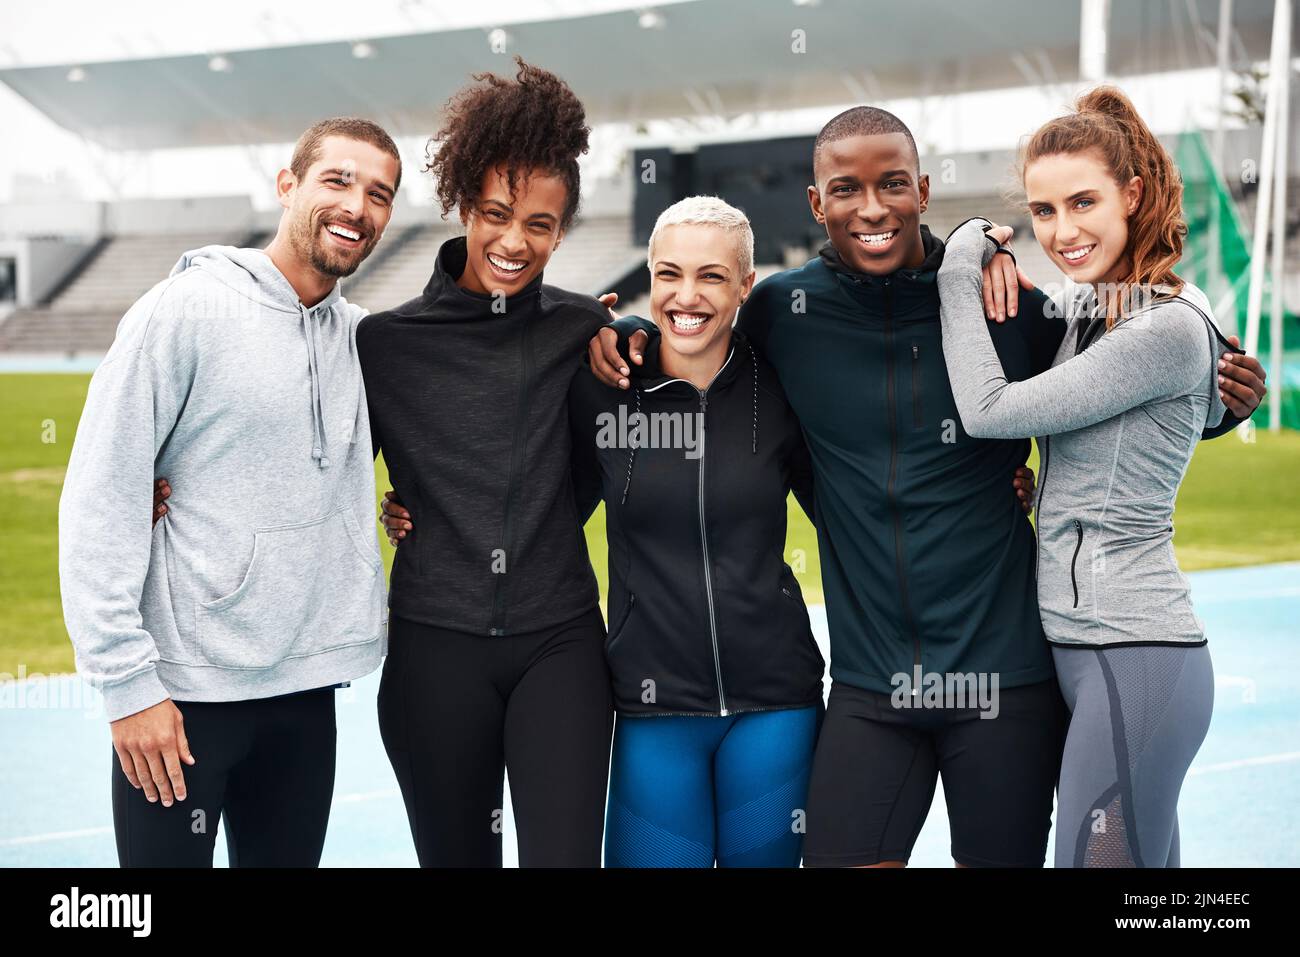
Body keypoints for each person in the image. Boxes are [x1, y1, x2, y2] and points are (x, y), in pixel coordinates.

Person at [590, 105, 1266, 868]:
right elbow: (703, 354)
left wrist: (1222, 402)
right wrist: (628, 340)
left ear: (923, 190)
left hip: (1005, 681)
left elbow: (1131, 374)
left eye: (893, 185)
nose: (872, 207)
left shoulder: (1004, 307)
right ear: (818, 205)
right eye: (846, 189)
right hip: (870, 685)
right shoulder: (784, 312)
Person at [60, 117, 401, 867]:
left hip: (307, 691)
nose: (357, 206)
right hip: (181, 696)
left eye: (379, 193)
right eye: (337, 180)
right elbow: (100, 497)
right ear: (288, 185)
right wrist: (126, 686)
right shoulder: (182, 311)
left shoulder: (364, 340)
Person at [936, 86, 1244, 867]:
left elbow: (988, 408)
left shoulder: (1162, 324)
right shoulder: (1091, 308)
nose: (1063, 231)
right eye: (1042, 212)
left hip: (1135, 652)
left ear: (1131, 195)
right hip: (1085, 651)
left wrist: (956, 267)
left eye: (1083, 202)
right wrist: (1047, 492)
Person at [358, 58, 615, 867]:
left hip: (561, 644)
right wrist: (169, 485)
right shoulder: (386, 344)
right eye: (497, 213)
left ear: (562, 230)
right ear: (465, 201)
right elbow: (308, 466)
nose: (514, 241)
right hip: (435, 650)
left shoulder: (585, 329)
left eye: (539, 224)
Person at [568, 196, 826, 866]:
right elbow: (537, 507)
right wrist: (418, 510)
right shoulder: (606, 385)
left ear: (745, 285)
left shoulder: (786, 384)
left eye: (712, 276)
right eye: (668, 274)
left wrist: (990, 488)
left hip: (776, 707)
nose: (687, 296)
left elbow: (857, 499)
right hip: (655, 712)